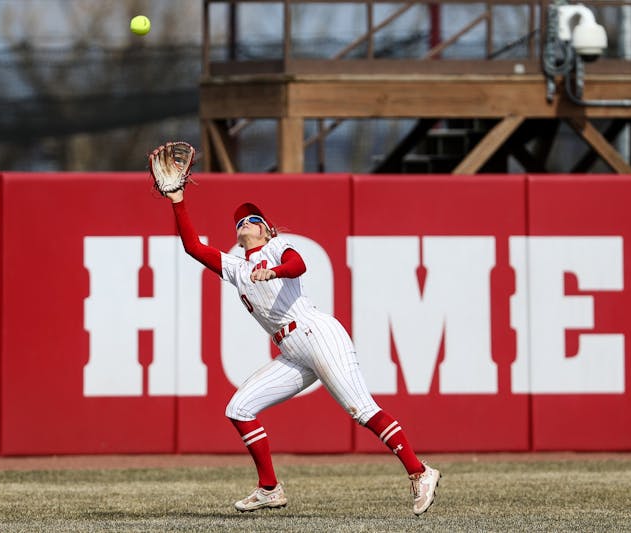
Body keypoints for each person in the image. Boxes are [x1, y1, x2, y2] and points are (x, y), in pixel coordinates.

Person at [152, 148, 440, 516]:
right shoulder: (237, 268)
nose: (244, 224)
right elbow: (193, 247)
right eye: (240, 222)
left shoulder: (275, 247)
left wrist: (273, 272)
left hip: (316, 332)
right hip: (291, 350)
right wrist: (178, 200)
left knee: (362, 409)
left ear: (266, 228)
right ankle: (269, 487)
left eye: (252, 219)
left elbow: (298, 264)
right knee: (239, 408)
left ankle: (420, 472)